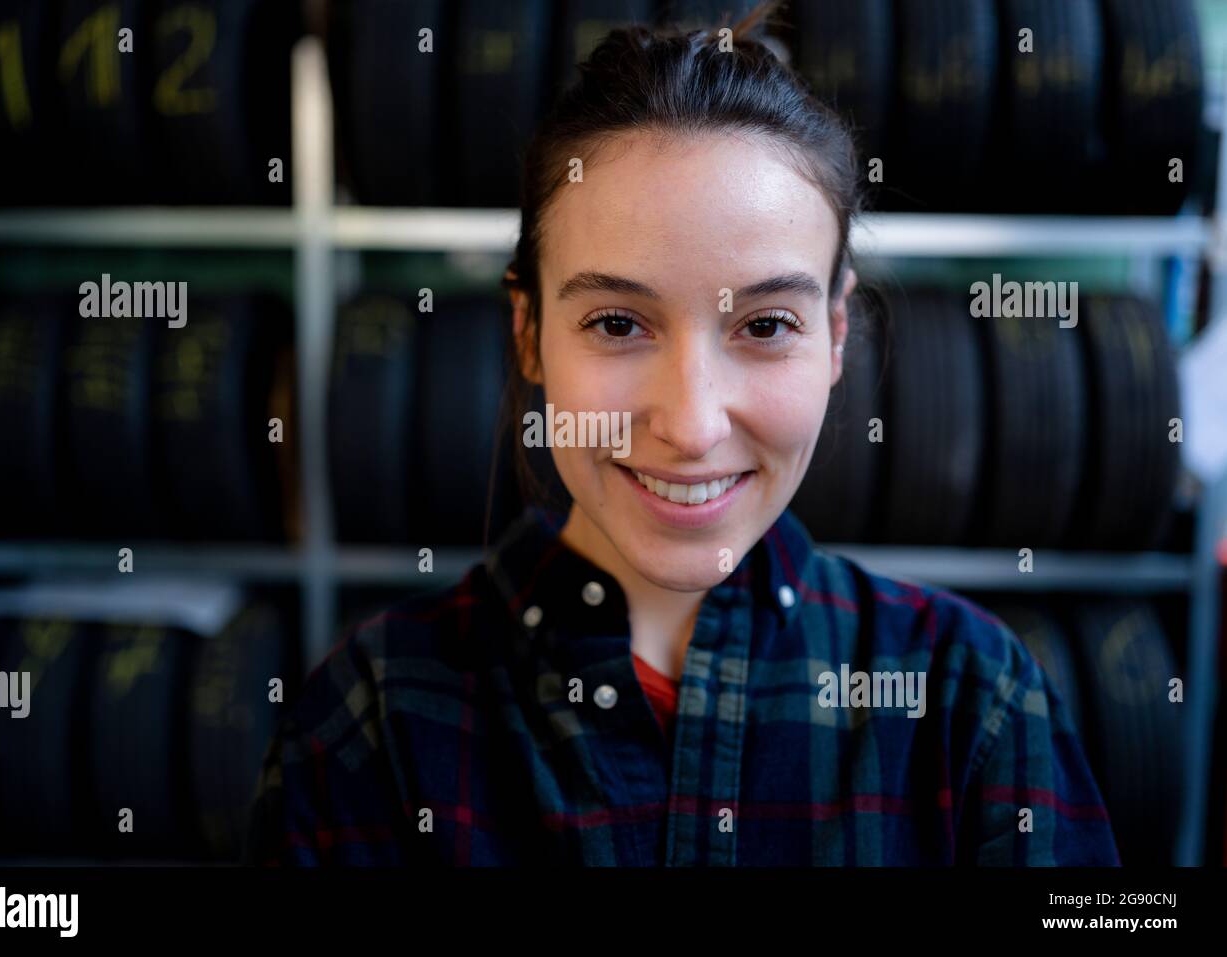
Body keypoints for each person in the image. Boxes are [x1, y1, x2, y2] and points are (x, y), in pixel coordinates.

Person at [245, 2, 1120, 866]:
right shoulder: (368, 727)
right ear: (528, 333)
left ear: (838, 336)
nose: (693, 426)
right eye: (620, 323)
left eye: (767, 325)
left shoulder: (974, 706)